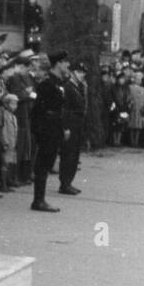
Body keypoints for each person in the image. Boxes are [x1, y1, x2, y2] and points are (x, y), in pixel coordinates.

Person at [29, 51, 68, 213]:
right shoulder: (47, 83)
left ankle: (40, 199)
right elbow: (38, 109)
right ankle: (38, 200)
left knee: (47, 163)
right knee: (43, 164)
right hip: (47, 128)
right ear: (58, 63)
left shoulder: (58, 82)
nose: (68, 66)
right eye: (66, 62)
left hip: (54, 127)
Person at [59, 61, 88, 194]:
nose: (81, 75)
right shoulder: (68, 87)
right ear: (72, 73)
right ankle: (64, 183)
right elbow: (64, 109)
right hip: (70, 124)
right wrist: (65, 127)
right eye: (78, 72)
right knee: (68, 154)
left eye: (83, 72)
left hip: (78, 124)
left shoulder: (79, 87)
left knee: (75, 155)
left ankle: (69, 181)